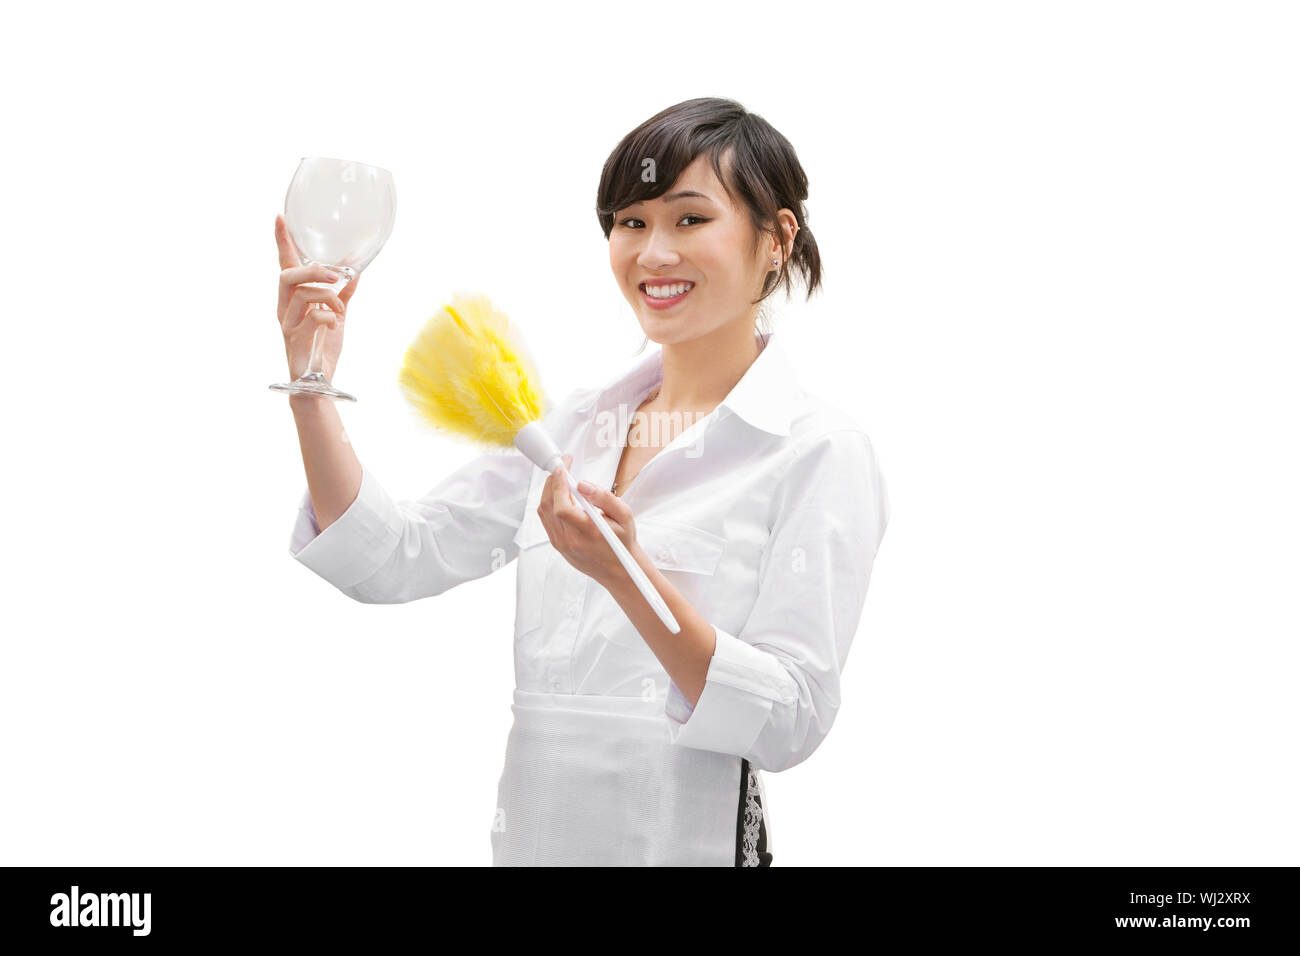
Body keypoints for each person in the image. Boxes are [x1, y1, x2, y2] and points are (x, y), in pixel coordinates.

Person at [277, 96, 890, 866]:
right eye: (630, 222)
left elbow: (789, 720)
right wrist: (310, 382)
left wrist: (628, 577)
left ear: (776, 238)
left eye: (689, 220)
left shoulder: (816, 452)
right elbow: (394, 555)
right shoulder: (570, 430)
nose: (652, 253)